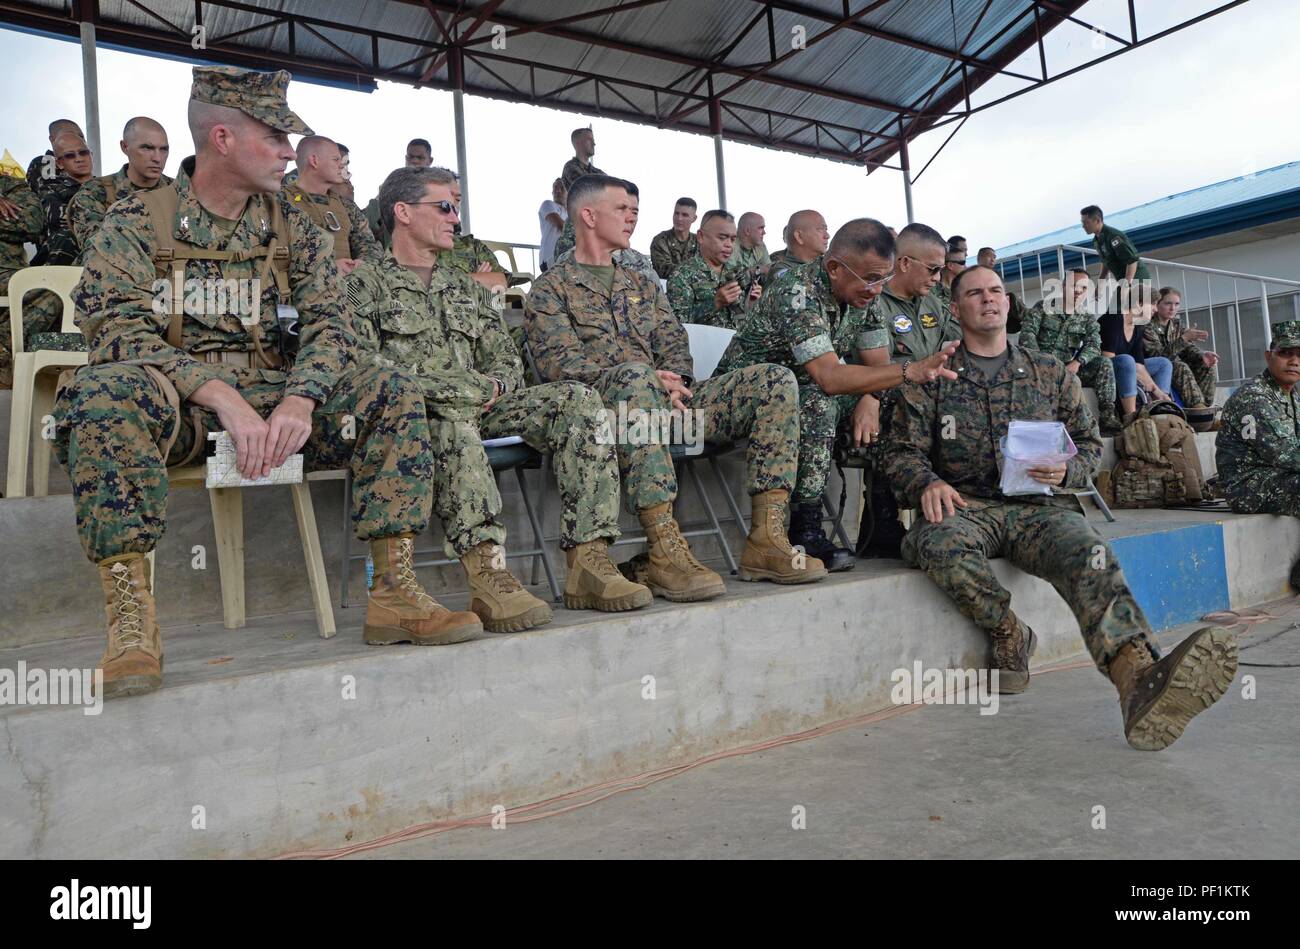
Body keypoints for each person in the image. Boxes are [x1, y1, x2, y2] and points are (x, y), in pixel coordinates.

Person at [54, 65, 467, 699]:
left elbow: (333, 323)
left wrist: (301, 398)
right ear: (222, 138)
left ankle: (394, 593)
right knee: (101, 395)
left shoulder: (292, 223)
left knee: (389, 390)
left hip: (277, 403)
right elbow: (113, 327)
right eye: (275, 138)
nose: (288, 153)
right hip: (182, 409)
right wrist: (219, 395)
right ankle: (131, 625)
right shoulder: (137, 219)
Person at [886, 264, 1237, 748]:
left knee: (1091, 554)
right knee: (936, 543)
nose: (989, 299)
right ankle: (1009, 631)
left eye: (996, 291)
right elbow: (900, 453)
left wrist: (1067, 470)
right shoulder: (933, 376)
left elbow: (1089, 445)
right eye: (975, 293)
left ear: (1007, 303)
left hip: (1039, 509)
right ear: (955, 308)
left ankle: (1138, 678)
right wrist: (926, 482)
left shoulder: (1049, 371)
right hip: (966, 507)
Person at [348, 165, 652, 632]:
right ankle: (488, 574)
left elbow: (506, 358)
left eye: (455, 208)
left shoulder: (465, 288)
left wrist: (494, 387)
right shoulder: (363, 285)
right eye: (443, 207)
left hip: (483, 405)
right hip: (418, 418)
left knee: (577, 401)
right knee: (452, 419)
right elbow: (365, 368)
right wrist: (458, 391)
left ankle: (589, 562)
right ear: (403, 212)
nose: (455, 217)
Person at [526, 173, 827, 601]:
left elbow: (673, 343)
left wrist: (677, 384)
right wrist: (647, 381)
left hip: (672, 409)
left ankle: (767, 540)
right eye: (621, 209)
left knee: (774, 381)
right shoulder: (550, 289)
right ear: (588, 216)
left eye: (635, 210)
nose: (632, 217)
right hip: (606, 418)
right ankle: (663, 550)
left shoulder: (642, 284)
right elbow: (561, 367)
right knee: (635, 379)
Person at [715, 219, 957, 572]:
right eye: (870, 279)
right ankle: (805, 528)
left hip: (800, 395)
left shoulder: (864, 296)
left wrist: (872, 398)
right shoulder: (796, 290)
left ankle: (880, 524)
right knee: (819, 399)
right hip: (747, 401)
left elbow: (878, 366)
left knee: (896, 399)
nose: (877, 289)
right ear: (833, 268)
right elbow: (828, 378)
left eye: (883, 279)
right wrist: (910, 370)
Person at [1216, 321, 1300, 586]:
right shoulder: (1254, 397)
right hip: (1247, 484)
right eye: (1286, 353)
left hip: (1277, 476)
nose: (1294, 361)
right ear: (1268, 356)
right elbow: (1285, 454)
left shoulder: (1292, 394)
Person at [1019, 268, 1122, 434]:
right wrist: (1041, 361)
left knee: (1104, 363)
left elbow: (1094, 344)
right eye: (1074, 285)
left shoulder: (1086, 317)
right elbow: (1027, 334)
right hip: (1040, 368)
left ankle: (1107, 417)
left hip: (1068, 369)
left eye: (1084, 288)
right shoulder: (1043, 307)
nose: (1078, 291)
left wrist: (1077, 362)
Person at [67, 117, 173, 256]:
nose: (157, 158)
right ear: (125, 147)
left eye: (164, 149)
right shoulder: (95, 192)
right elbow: (98, 250)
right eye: (147, 148)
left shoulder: (180, 192)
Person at [280, 135, 380, 275]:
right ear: (314, 161)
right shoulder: (279, 201)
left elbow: (369, 247)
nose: (341, 165)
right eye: (336, 159)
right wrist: (328, 268)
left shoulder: (347, 207)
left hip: (348, 286)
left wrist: (361, 265)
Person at [665, 209, 760, 329]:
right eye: (722, 238)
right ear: (701, 237)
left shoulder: (739, 271)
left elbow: (750, 322)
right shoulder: (682, 275)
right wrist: (715, 303)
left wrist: (751, 304)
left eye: (732, 239)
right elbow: (676, 325)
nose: (729, 244)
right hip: (703, 340)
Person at [0, 169, 44, 390]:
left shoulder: (11, 185)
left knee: (51, 289)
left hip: (8, 276)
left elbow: (31, 224)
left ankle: (3, 354)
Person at [1100, 296, 1174, 419]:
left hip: (1127, 365)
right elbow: (1107, 358)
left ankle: (1160, 409)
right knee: (1127, 360)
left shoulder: (1138, 326)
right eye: (1153, 304)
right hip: (1103, 367)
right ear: (1138, 304)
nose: (1156, 309)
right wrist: (1138, 377)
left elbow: (1139, 365)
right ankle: (1131, 416)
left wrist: (1157, 391)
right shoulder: (1114, 318)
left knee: (1163, 363)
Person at [1142, 287, 1218, 408]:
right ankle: (1197, 406)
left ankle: (1205, 408)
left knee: (1207, 366)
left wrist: (1202, 355)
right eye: (1168, 303)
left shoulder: (1177, 324)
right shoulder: (1147, 325)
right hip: (1156, 368)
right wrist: (1184, 338)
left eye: (1176, 304)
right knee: (1180, 366)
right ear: (1157, 304)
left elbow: (1188, 349)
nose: (1173, 308)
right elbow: (1158, 356)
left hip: (1175, 366)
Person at [363, 137, 433, 247]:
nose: (414, 161)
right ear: (406, 158)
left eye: (420, 158)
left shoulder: (438, 187)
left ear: (430, 160)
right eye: (411, 157)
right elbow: (370, 219)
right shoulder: (393, 184)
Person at [552, 127, 605, 261]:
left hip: (597, 228)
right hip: (578, 230)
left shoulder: (598, 172)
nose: (594, 143)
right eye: (589, 140)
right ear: (578, 143)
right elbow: (587, 190)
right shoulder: (570, 168)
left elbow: (614, 190)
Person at [1081, 204, 1150, 288]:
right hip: (1123, 281)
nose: (1083, 226)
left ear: (1097, 221)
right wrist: (1099, 285)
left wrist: (1126, 286)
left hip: (1137, 279)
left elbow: (1132, 261)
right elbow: (1106, 262)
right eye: (1082, 222)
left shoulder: (1113, 236)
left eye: (1086, 222)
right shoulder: (1097, 240)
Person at [767, 209, 829, 281]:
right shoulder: (781, 270)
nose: (827, 236)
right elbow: (793, 283)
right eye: (820, 229)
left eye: (826, 229)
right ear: (799, 236)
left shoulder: (827, 264)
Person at [649, 197, 699, 280]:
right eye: (676, 213)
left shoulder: (700, 242)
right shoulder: (661, 240)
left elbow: (708, 267)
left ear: (694, 218)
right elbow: (662, 270)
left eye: (685, 215)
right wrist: (694, 271)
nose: (679, 218)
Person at [538, 177, 566, 270]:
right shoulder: (548, 204)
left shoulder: (571, 213)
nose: (558, 190)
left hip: (565, 258)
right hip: (549, 259)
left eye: (562, 188)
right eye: (555, 188)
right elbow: (561, 226)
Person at [733, 211, 770, 277]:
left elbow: (769, 270)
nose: (764, 232)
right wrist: (758, 270)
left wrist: (757, 270)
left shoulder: (760, 245)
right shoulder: (730, 245)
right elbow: (731, 276)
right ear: (747, 231)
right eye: (761, 228)